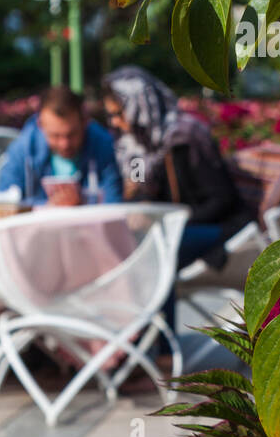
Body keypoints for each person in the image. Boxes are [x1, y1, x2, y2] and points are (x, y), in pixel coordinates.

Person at [101, 66, 255, 326]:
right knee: (129, 244)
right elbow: (138, 190)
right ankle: (133, 340)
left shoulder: (185, 136)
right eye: (110, 115)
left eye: (118, 113)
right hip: (173, 228)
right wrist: (138, 201)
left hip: (217, 228)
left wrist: (168, 221)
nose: (113, 122)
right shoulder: (136, 145)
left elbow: (221, 200)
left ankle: (162, 348)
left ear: (139, 105)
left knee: (156, 248)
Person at [0, 85, 124, 205]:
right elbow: (1, 200)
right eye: (55, 136)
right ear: (40, 125)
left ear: (85, 123)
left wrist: (81, 204)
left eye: (71, 134)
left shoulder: (104, 143)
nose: (64, 144)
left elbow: (114, 201)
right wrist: (47, 207)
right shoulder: (23, 147)